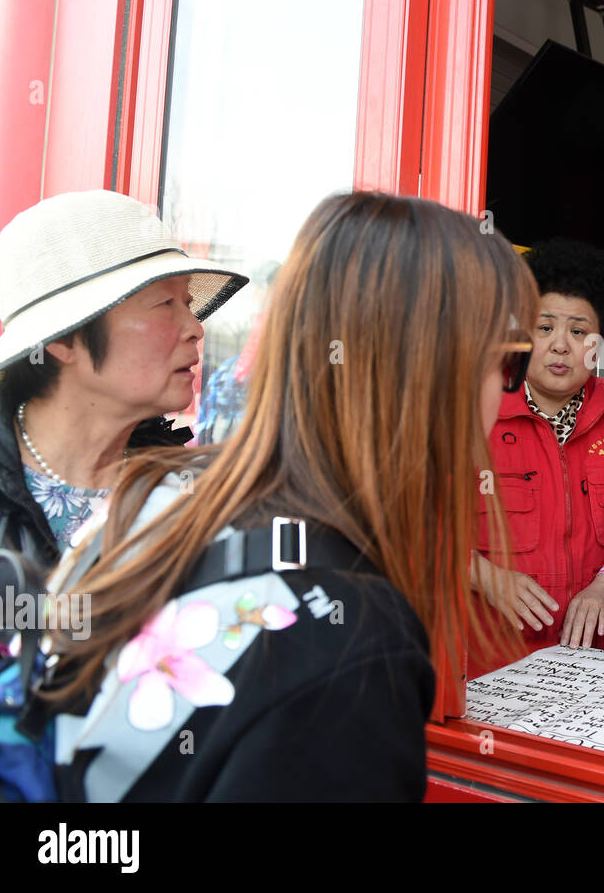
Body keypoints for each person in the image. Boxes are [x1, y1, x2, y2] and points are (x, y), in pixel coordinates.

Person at [37, 192, 537, 800]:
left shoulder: (154, 493)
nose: (506, 393)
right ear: (430, 370)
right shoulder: (348, 644)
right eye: (506, 363)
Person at [0, 190, 247, 561]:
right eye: (164, 304)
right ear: (63, 339)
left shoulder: (185, 489)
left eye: (188, 304)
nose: (195, 328)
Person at [470, 239, 604, 677]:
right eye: (544, 328)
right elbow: (417, 527)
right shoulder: (470, 419)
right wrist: (484, 577)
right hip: (494, 664)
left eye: (578, 331)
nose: (561, 345)